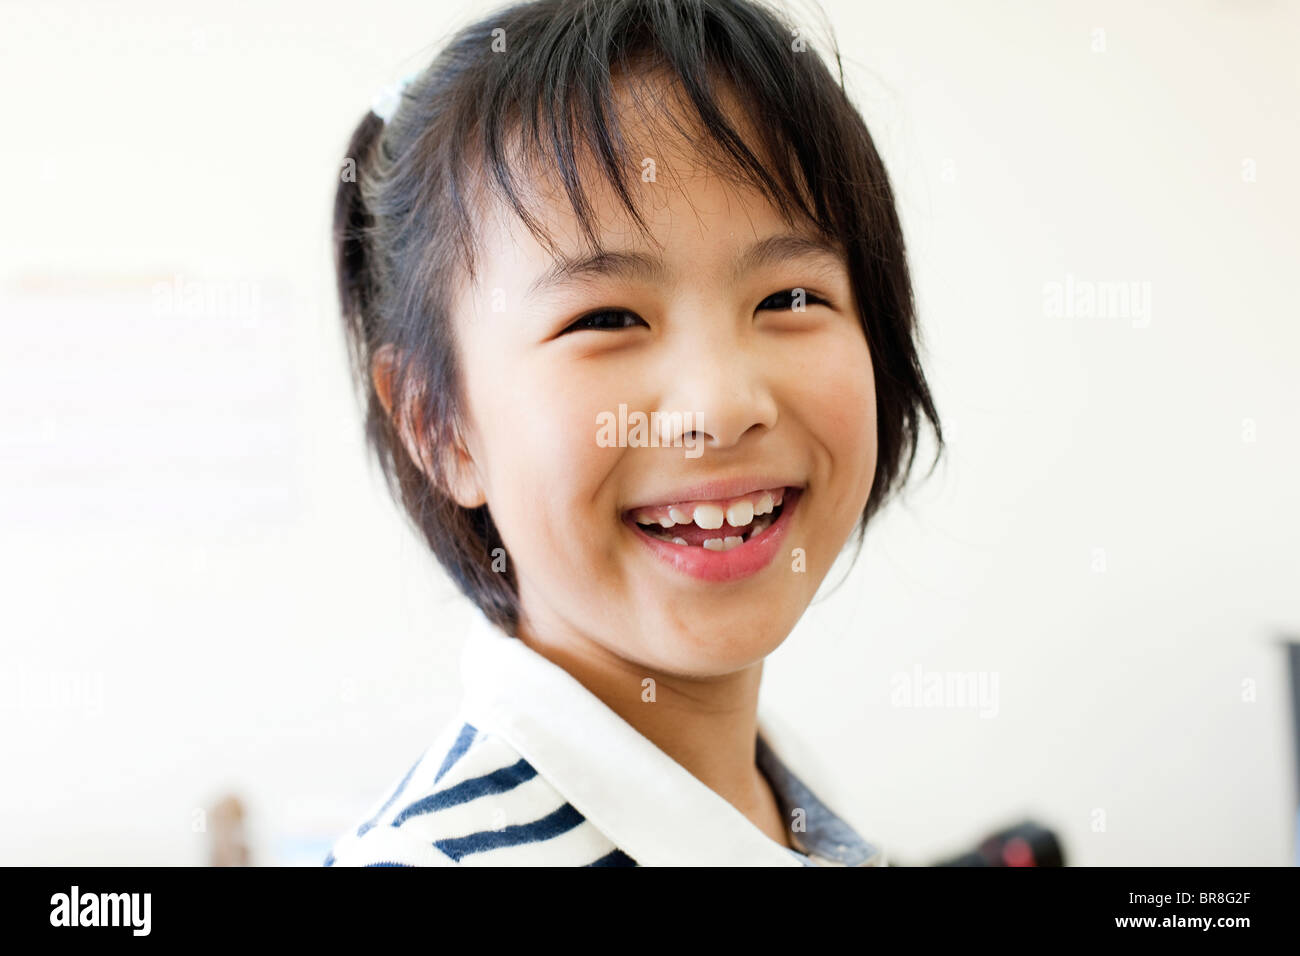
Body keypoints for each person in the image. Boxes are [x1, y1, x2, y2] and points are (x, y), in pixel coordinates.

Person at [324, 0, 943, 866]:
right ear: (440, 424)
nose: (722, 408)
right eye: (607, 316)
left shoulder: (782, 801)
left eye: (788, 300)